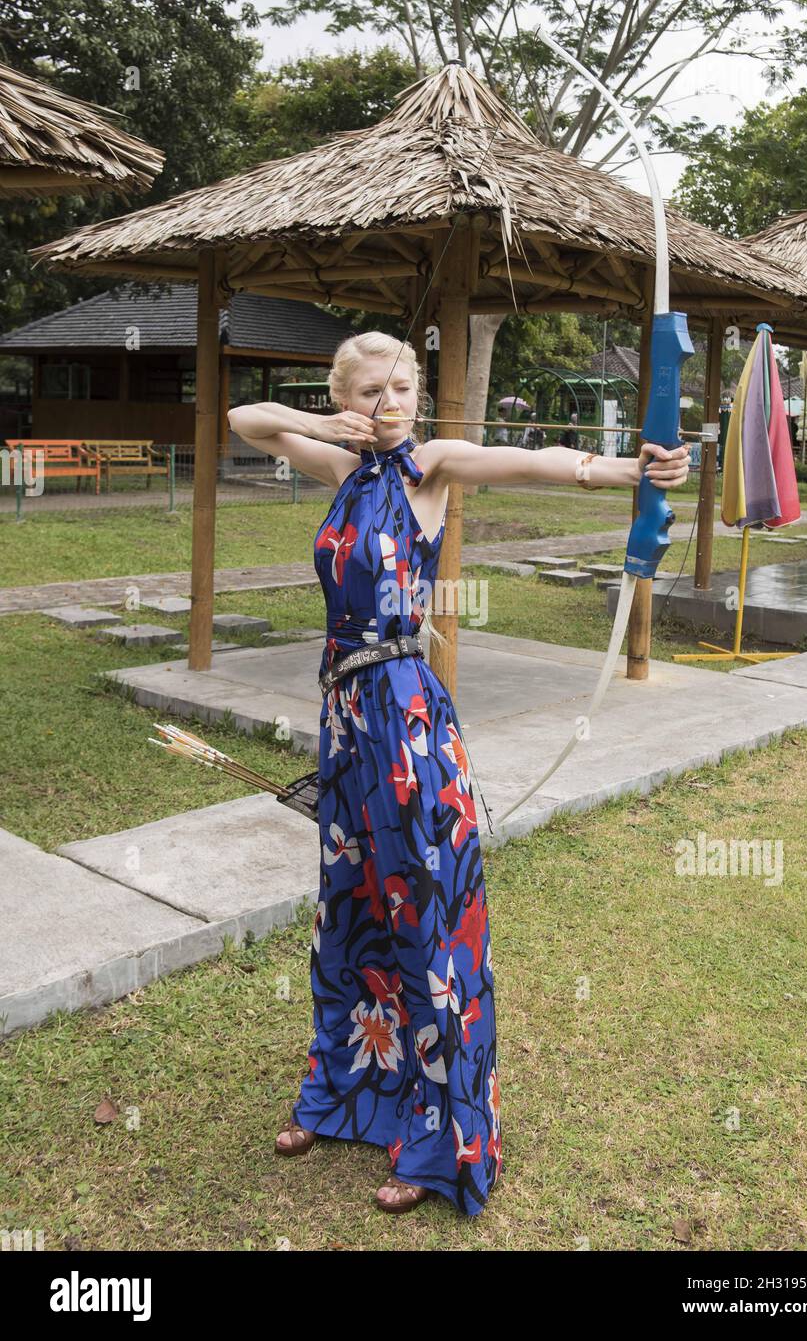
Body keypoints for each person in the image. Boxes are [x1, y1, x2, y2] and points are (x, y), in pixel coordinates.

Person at [227, 331, 689, 1218]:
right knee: (350, 908)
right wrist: (325, 424)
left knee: (428, 919)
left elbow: (533, 462)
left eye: (402, 387)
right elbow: (245, 419)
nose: (390, 402)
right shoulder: (342, 468)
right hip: (344, 719)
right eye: (372, 390)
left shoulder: (428, 467)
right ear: (345, 398)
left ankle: (442, 1139)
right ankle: (342, 1096)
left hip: (407, 719)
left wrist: (630, 472)